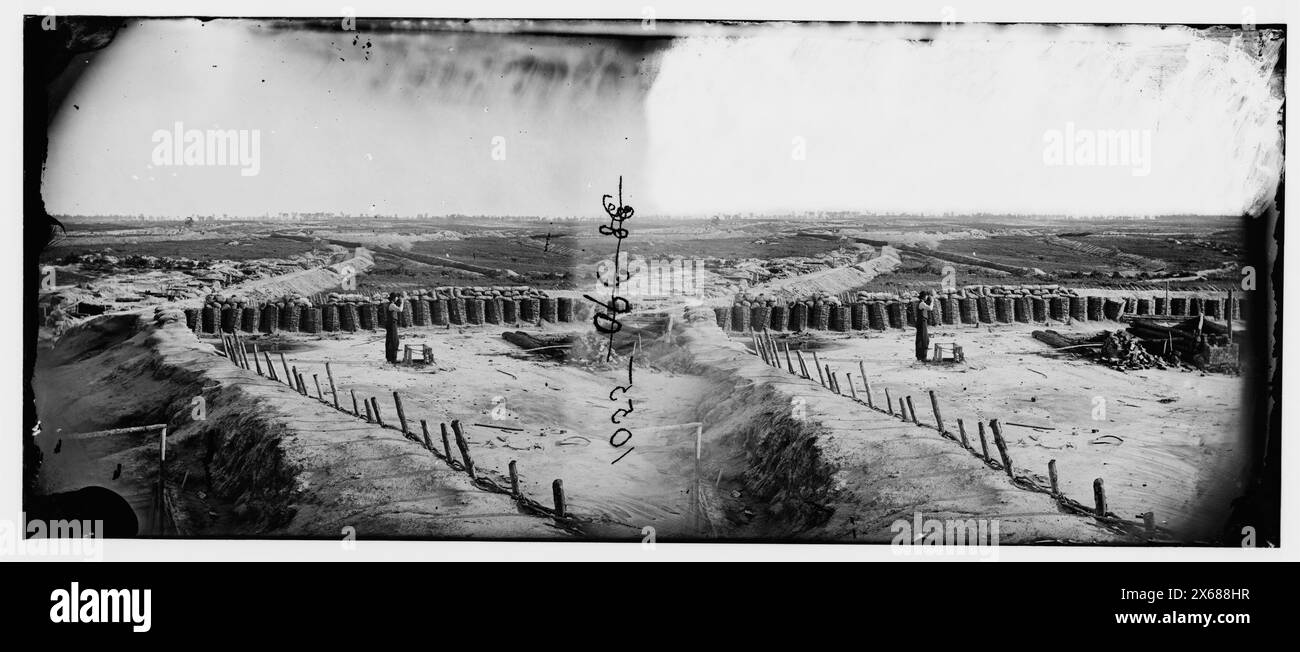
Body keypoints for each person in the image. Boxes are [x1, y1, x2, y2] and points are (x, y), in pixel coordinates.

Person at [385, 292, 406, 363]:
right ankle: (393, 359)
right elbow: (400, 310)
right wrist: (402, 302)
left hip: (391, 324)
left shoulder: (391, 304)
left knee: (389, 341)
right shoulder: (392, 305)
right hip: (392, 324)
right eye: (396, 297)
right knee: (395, 341)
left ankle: (389, 358)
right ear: (394, 298)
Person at [915, 291, 936, 362]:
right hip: (922, 322)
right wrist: (932, 301)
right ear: (924, 296)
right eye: (926, 296)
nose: (927, 297)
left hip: (922, 322)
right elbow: (930, 308)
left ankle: (920, 357)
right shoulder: (922, 303)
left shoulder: (922, 303)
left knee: (920, 340)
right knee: (925, 340)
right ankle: (923, 357)